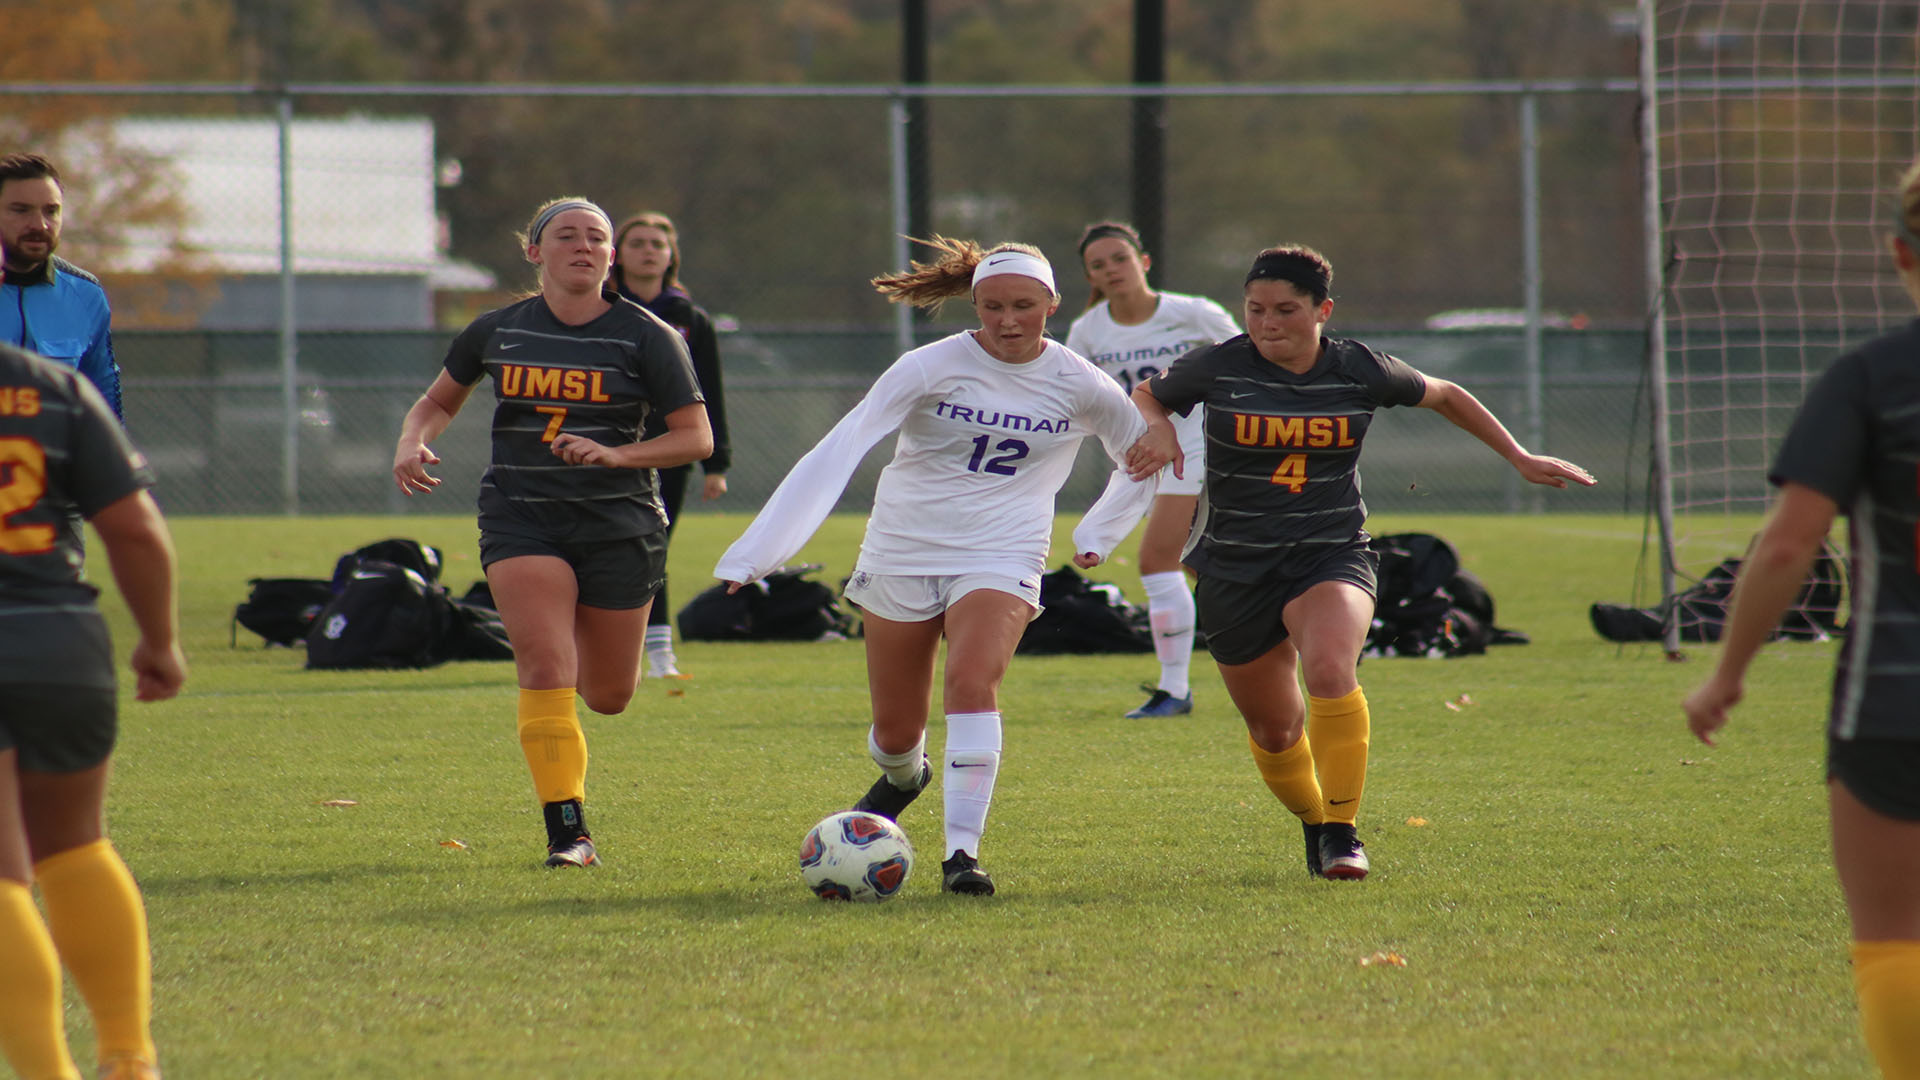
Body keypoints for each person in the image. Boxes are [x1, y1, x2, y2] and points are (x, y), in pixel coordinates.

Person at [1127, 244, 1595, 881]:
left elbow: (1447, 393)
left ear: (1322, 310)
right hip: (1236, 566)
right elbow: (1148, 395)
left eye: (1286, 310)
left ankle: (1344, 832)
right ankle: (1318, 823)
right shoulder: (1219, 366)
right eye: (1256, 309)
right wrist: (1155, 425)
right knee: (1273, 731)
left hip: (1330, 550)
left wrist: (1518, 456)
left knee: (1328, 668)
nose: (1268, 323)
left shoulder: (1358, 369)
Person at [714, 236, 1156, 896]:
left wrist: (1100, 530)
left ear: (1053, 304)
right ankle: (903, 778)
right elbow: (844, 445)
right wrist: (758, 552)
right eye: (993, 306)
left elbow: (1143, 460)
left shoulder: (1080, 383)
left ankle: (961, 857)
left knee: (973, 683)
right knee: (896, 735)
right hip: (904, 545)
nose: (1008, 321)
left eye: (1025, 307)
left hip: (1003, 551)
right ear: (973, 302)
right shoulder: (928, 366)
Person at [1681, 165, 1920, 1079]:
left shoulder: (1871, 376)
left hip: (1896, 700)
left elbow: (1788, 547)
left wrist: (1727, 674)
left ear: (1898, 252)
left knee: (1894, 945)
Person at [392, 196, 712, 870]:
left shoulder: (648, 334)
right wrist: (411, 441)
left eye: (597, 237)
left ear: (612, 257)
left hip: (619, 524)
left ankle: (577, 690)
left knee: (608, 696)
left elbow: (695, 437)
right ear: (534, 252)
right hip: (522, 512)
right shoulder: (497, 330)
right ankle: (569, 833)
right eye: (566, 235)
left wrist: (618, 454)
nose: (585, 246)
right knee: (544, 667)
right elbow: (435, 403)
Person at [0, 241, 185, 1080]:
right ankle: (129, 1054)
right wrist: (159, 641)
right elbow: (138, 531)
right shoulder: (54, 387)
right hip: (60, 637)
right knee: (74, 845)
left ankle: (47, 1072)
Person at [1065, 221, 1240, 718]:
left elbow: (1253, 364)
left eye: (1119, 258)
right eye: (1098, 265)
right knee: (1202, 567)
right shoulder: (1089, 330)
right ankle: (1295, 633)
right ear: (1090, 277)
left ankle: (1175, 692)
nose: (1110, 270)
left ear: (1143, 261)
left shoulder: (1194, 312)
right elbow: (1081, 397)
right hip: (1146, 458)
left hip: (1204, 449)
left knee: (1157, 561)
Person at [611, 211, 732, 679]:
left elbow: (710, 393)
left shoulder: (690, 320)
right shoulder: (599, 308)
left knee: (650, 544)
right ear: (617, 255)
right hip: (603, 446)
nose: (647, 251)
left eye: (657, 244)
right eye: (637, 242)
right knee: (600, 547)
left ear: (671, 256)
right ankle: (596, 647)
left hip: (668, 452)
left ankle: (659, 653)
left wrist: (716, 462)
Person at [0, 153, 122, 420]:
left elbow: (103, 401)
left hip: (53, 460)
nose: (39, 224)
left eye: (51, 211)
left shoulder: (85, 294)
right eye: (21, 210)